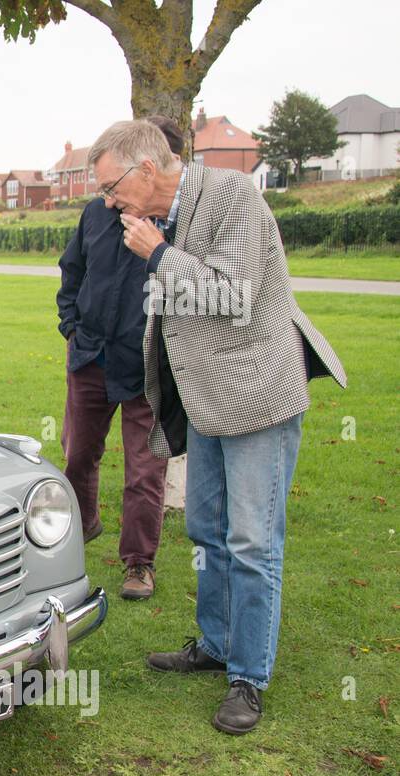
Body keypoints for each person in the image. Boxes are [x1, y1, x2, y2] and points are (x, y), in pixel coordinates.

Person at [87, 119, 346, 734]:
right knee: (206, 530)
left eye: (110, 186)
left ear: (146, 170)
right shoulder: (164, 216)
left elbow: (237, 296)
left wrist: (161, 255)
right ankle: (216, 643)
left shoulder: (232, 196)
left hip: (258, 400)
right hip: (206, 404)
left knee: (253, 541)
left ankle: (248, 677)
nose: (108, 201)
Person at [56, 116, 184, 600]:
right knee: (79, 455)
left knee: (145, 470)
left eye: (114, 187)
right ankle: (81, 526)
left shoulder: (175, 223)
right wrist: (72, 327)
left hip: (146, 366)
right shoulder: (95, 215)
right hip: (90, 356)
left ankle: (138, 563)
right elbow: (72, 273)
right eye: (105, 189)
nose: (111, 198)